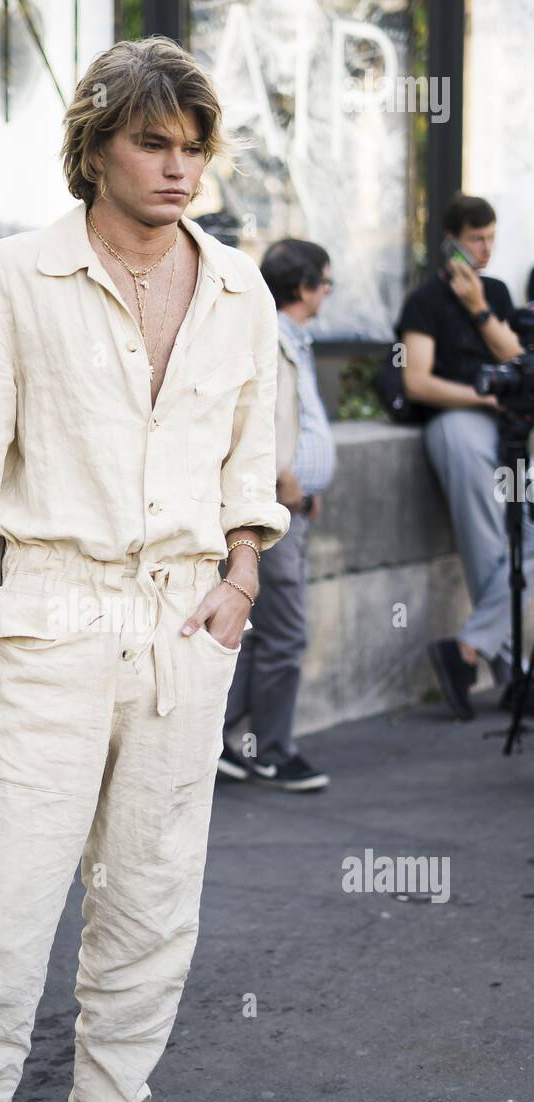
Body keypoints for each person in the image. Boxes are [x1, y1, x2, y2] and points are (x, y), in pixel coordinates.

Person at [0, 36, 290, 1102]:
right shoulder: (14, 278)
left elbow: (248, 462)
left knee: (150, 905)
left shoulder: (238, 289)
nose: (176, 168)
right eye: (150, 143)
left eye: (190, 148)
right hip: (52, 614)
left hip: (184, 623)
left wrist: (238, 581)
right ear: (96, 147)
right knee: (0, 919)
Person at [399, 190, 534, 720]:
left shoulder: (496, 294)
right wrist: (480, 396)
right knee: (484, 545)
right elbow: (417, 381)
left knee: (519, 543)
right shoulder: (424, 301)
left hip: (505, 428)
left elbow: (520, 362)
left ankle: (468, 650)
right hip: (457, 424)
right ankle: (511, 674)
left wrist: (480, 308)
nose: (486, 249)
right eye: (476, 239)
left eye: (492, 238)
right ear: (451, 241)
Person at [219, 238, 335, 791]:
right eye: (325, 282)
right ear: (305, 286)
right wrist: (287, 483)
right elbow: (263, 422)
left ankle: (218, 739)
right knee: (285, 633)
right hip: (272, 510)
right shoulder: (273, 338)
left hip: (290, 505)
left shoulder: (296, 339)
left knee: (260, 632)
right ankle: (271, 750)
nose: (328, 293)